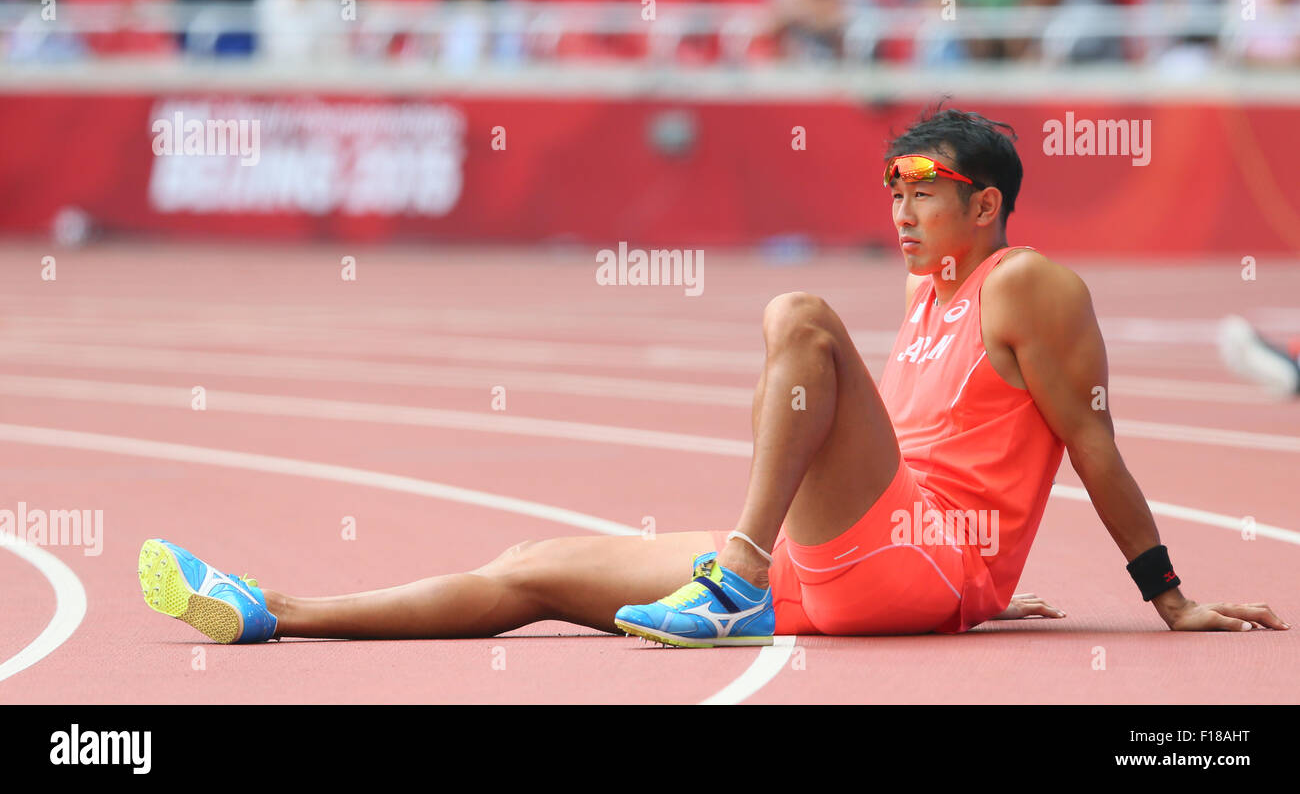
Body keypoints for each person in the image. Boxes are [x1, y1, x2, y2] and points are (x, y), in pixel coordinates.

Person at [138, 107, 1289, 647]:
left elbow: (1090, 445)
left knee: (798, 316)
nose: (896, 211)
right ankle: (269, 607)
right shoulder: (931, 291)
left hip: (913, 558)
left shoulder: (1026, 279)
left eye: (922, 191)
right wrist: (984, 585)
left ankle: (732, 573)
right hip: (883, 557)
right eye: (888, 189)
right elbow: (940, 444)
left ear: (985, 204)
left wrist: (1167, 592)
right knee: (533, 567)